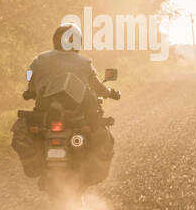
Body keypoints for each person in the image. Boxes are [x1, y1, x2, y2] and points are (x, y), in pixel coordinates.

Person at [11, 23, 118, 185]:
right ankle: (89, 172)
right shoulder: (84, 62)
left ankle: (42, 166)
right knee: (100, 133)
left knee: (31, 131)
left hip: (46, 116)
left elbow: (30, 83)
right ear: (77, 41)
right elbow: (97, 87)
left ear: (56, 40)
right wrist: (111, 92)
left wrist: (29, 92)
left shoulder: (39, 60)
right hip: (77, 114)